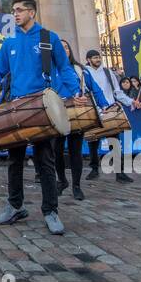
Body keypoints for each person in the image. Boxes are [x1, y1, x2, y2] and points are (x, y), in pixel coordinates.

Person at [0, 0, 81, 236]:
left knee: (45, 162)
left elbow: (65, 68)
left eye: (20, 10)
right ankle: (15, 206)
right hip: (16, 107)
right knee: (14, 160)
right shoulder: (9, 41)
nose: (15, 14)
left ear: (32, 13)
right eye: (14, 10)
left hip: (43, 107)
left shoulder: (47, 38)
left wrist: (76, 91)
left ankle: (51, 211)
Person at [82, 50, 137, 183]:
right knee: (93, 142)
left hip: (109, 110)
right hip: (93, 111)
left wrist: (131, 101)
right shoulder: (84, 72)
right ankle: (94, 169)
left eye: (99, 57)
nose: (98, 59)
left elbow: (117, 92)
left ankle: (120, 173)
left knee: (115, 142)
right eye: (95, 58)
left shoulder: (108, 72)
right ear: (88, 59)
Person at [51, 39, 87, 201]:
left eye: (66, 47)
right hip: (57, 112)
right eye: (61, 47)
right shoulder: (51, 69)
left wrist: (105, 105)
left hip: (76, 113)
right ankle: (62, 180)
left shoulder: (79, 69)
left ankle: (76, 186)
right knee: (56, 150)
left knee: (75, 151)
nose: (64, 50)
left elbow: (93, 88)